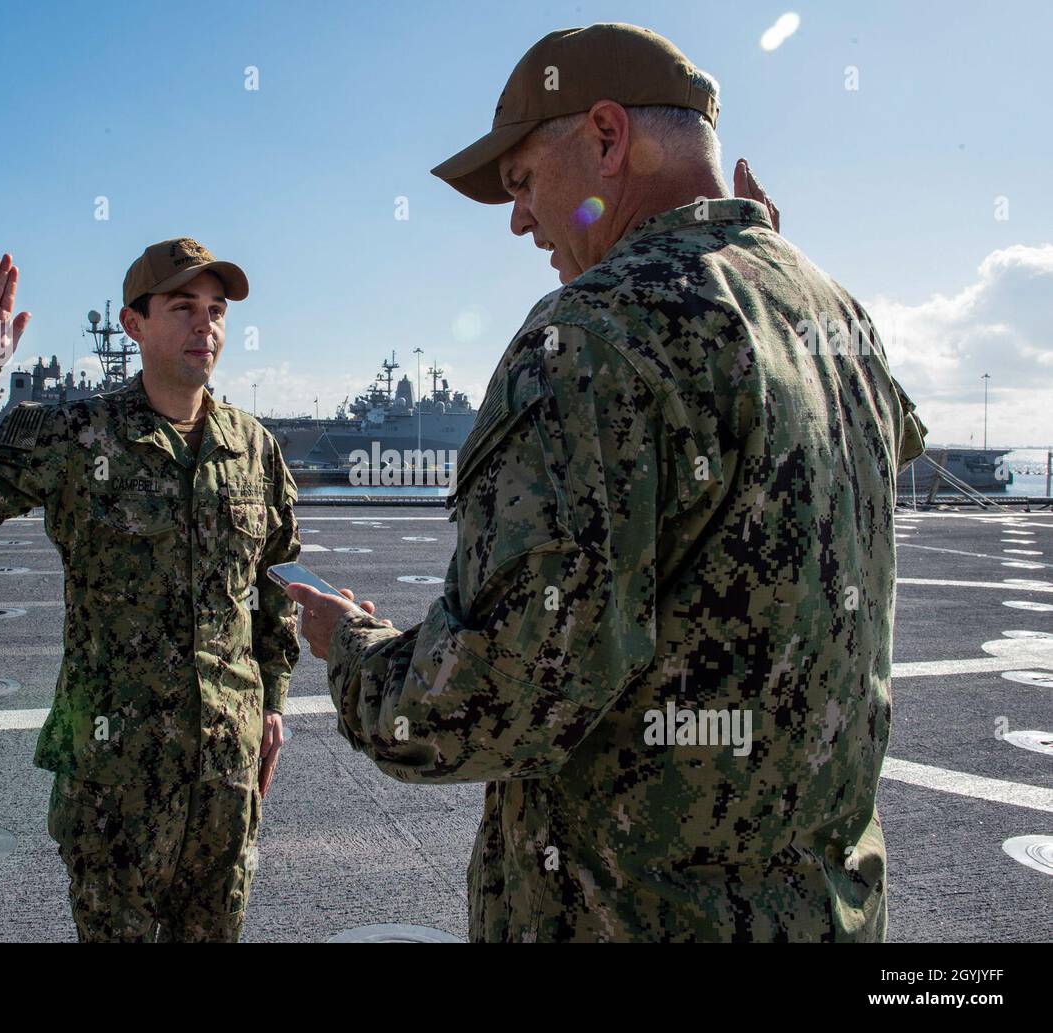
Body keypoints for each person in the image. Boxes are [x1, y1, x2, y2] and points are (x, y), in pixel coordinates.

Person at [288, 23, 926, 942]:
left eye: (520, 181)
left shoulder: (593, 335)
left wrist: (349, 647)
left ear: (606, 135)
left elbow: (479, 701)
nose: (518, 219)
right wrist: (770, 272)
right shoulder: (840, 317)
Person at [0, 238, 301, 942]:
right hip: (116, 787)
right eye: (182, 307)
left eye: (217, 310)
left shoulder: (253, 446)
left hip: (225, 781)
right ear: (132, 324)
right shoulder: (79, 437)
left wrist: (271, 704)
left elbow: (278, 579)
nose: (206, 325)